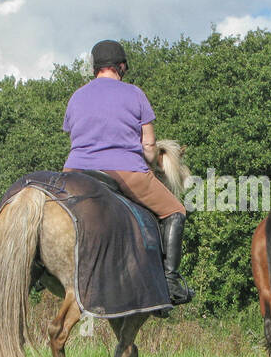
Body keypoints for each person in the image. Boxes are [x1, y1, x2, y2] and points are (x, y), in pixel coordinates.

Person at [63, 39, 193, 304]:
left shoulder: (77, 96)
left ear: (95, 68)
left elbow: (75, 138)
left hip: (74, 172)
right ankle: (170, 282)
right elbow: (147, 147)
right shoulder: (134, 94)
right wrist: (151, 158)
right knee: (176, 211)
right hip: (124, 170)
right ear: (121, 67)